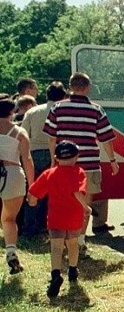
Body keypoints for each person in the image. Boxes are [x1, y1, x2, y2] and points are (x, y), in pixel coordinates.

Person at [43, 72, 120, 254]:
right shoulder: (96, 109)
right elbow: (106, 139)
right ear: (87, 87)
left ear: (70, 87)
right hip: (89, 165)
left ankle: (62, 241)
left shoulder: (57, 108)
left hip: (63, 166)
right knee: (84, 206)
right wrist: (112, 160)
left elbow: (52, 138)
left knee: (62, 203)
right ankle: (79, 242)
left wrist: (54, 160)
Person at [27, 140, 89, 299]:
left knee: (56, 247)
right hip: (74, 216)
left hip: (56, 218)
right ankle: (73, 270)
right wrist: (86, 208)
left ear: (56, 157)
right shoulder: (79, 172)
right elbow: (77, 192)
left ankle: (55, 275)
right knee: (72, 244)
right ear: (76, 157)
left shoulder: (50, 173)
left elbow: (34, 193)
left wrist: (32, 201)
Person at [19, 81, 66, 237]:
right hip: (57, 154)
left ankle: (29, 228)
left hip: (34, 153)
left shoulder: (32, 112)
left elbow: (24, 134)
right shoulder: (64, 111)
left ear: (46, 95)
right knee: (52, 193)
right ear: (63, 95)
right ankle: (46, 225)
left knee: (33, 191)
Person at [0, 98, 35, 274]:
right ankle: (11, 252)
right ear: (12, 111)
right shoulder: (19, 132)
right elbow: (27, 159)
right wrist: (33, 187)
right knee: (9, 218)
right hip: (12, 174)